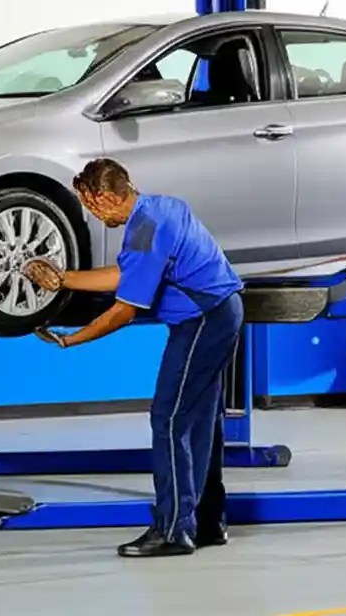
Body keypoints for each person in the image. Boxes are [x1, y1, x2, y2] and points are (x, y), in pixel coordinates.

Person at [23, 158, 244, 558]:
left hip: (203, 320)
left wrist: (72, 340)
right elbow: (130, 274)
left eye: (88, 203)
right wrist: (64, 277)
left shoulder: (145, 227)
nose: (89, 213)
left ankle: (173, 529)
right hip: (221, 312)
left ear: (105, 197)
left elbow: (124, 309)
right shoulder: (158, 208)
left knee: (169, 418)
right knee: (200, 422)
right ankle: (209, 522)